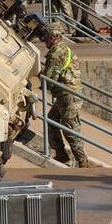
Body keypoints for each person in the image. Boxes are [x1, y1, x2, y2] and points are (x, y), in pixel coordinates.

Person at [40, 27, 91, 168]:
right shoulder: (66, 49)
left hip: (68, 96)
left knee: (70, 130)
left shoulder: (56, 54)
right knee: (52, 120)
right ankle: (61, 155)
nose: (45, 41)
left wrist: (37, 78)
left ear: (53, 37)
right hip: (67, 94)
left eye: (47, 37)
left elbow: (49, 79)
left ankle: (82, 162)